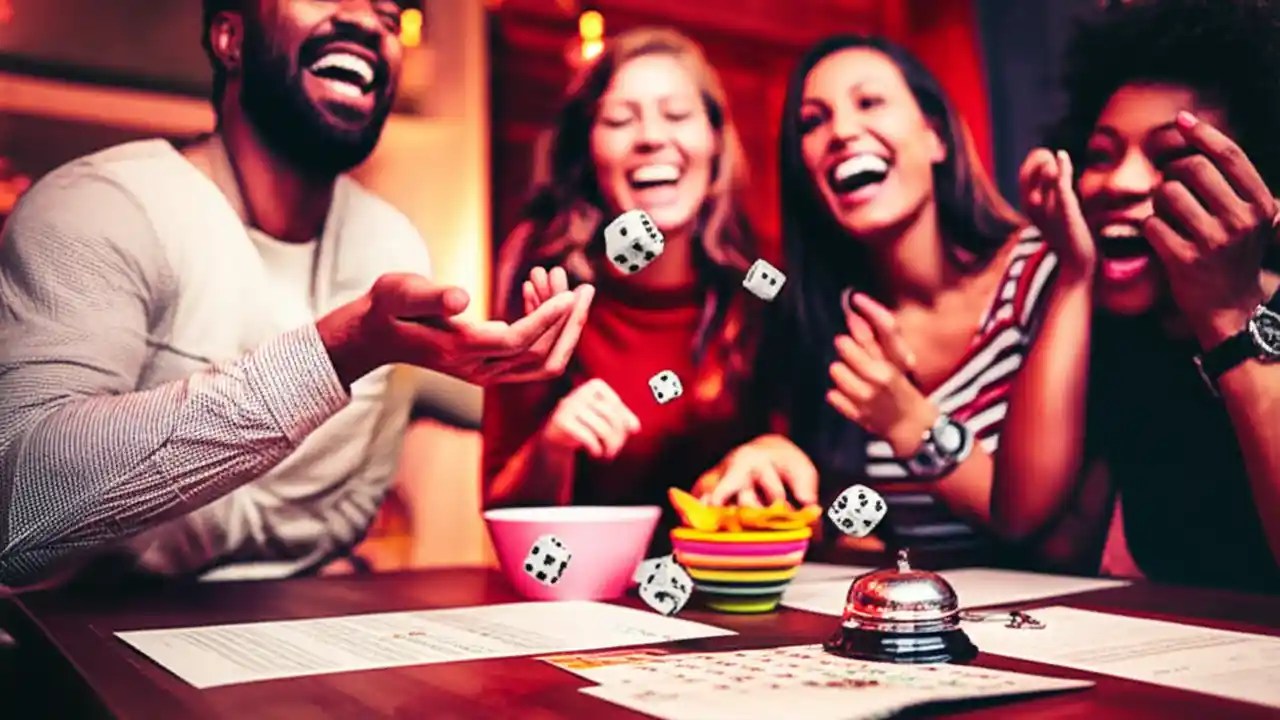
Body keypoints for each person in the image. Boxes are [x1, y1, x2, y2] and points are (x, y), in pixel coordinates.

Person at [0, 0, 592, 589]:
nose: (367, 20)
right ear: (229, 36)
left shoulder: (388, 242)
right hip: (77, 653)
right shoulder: (105, 207)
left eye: (389, 15)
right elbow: (16, 517)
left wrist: (527, 353)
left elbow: (466, 382)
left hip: (304, 647)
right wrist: (339, 351)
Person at [697, 35, 1066, 568]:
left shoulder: (1045, 270)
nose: (842, 131)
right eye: (812, 121)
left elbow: (1058, 538)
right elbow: (844, 528)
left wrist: (909, 421)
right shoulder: (824, 328)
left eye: (869, 102)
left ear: (935, 136)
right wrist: (770, 459)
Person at [992, 0, 1280, 593]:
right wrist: (1073, 272)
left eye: (1172, 157)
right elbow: (1030, 523)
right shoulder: (1129, 338)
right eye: (1100, 155)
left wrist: (1227, 314)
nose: (1119, 181)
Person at [482, 27, 767, 541]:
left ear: (716, 140)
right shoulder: (548, 295)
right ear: (588, 153)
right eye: (619, 119)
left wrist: (774, 451)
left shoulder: (755, 293)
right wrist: (552, 443)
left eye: (677, 114)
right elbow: (499, 509)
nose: (652, 137)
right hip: (593, 604)